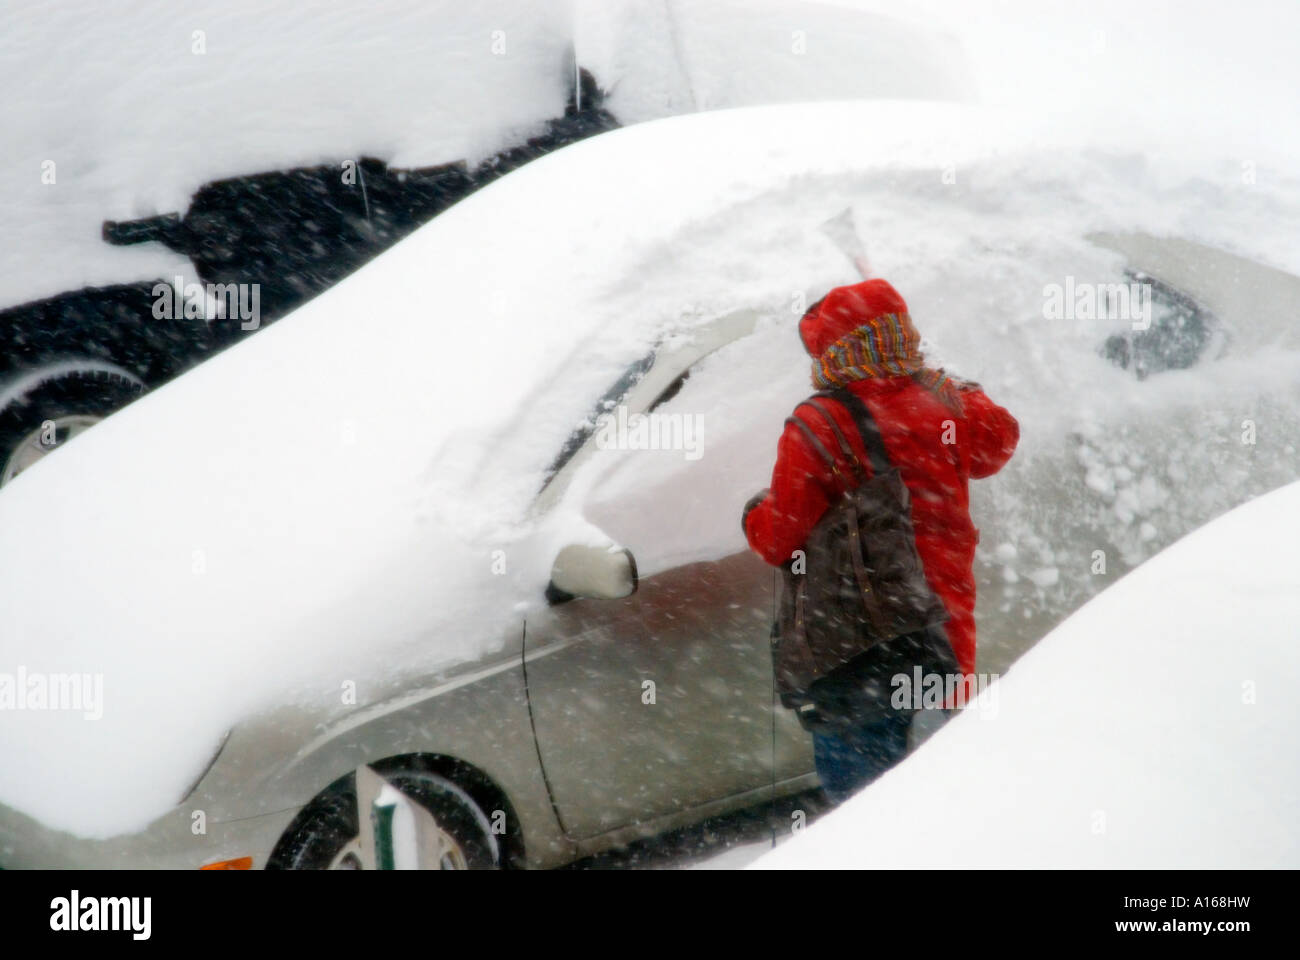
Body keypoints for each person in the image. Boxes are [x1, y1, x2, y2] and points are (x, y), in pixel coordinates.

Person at [743, 277, 1019, 802]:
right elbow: (997, 444)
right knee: (943, 803)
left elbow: (777, 539)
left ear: (832, 352)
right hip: (943, 640)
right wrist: (956, 383)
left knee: (868, 815)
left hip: (861, 651)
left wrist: (753, 512)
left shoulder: (817, 424)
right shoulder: (945, 404)